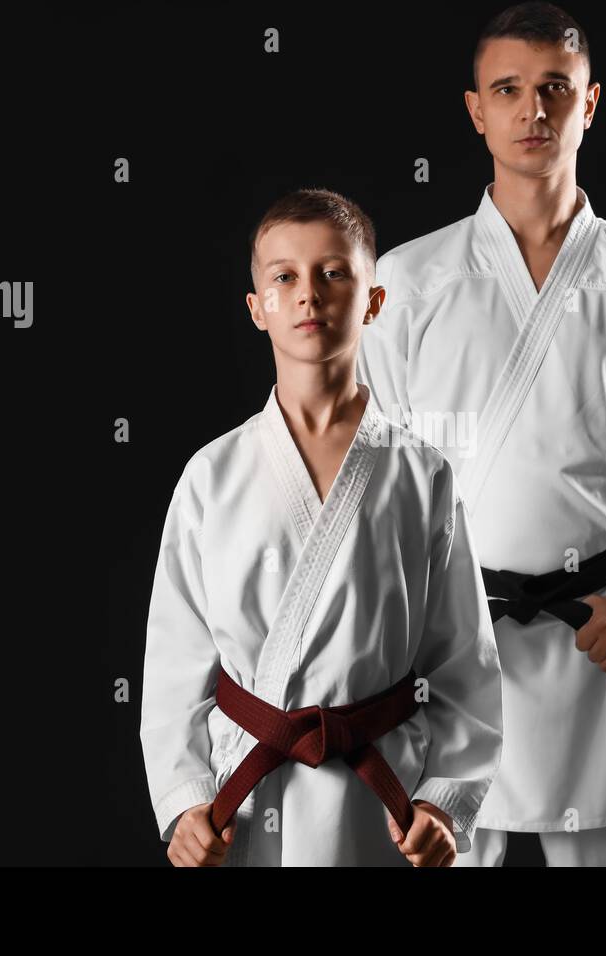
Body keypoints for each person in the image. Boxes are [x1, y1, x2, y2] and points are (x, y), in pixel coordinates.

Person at [357, 2, 606, 866]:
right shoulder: (409, 283)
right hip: (449, 651)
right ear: (475, 109)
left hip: (600, 639)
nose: (533, 111)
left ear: (589, 104)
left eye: (554, 89)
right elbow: (374, 484)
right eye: (509, 90)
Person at [140, 188, 503, 866]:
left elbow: (465, 668)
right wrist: (187, 803)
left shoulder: (422, 474)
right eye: (284, 277)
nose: (309, 295)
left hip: (381, 797)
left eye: (334, 273)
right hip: (246, 797)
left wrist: (441, 801)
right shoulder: (211, 475)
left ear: (373, 301)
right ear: (258, 309)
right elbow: (172, 671)